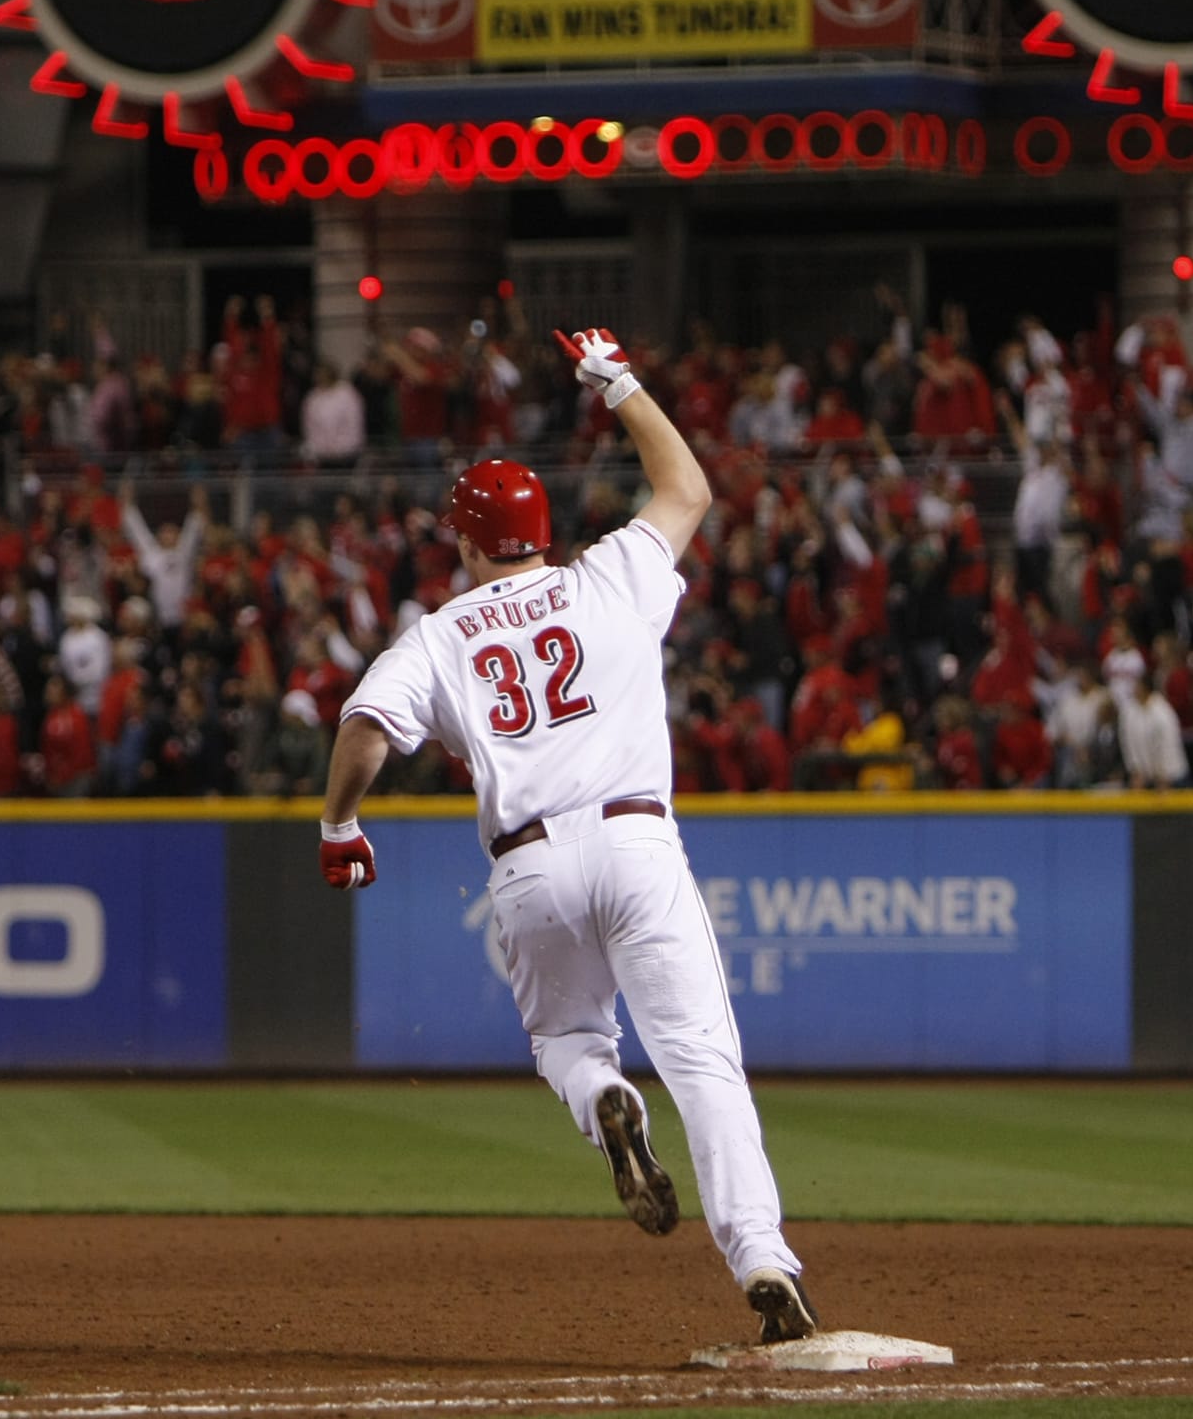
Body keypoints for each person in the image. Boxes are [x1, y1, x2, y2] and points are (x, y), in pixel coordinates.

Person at [317, 326, 819, 1346]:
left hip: (529, 865)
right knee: (704, 1063)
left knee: (566, 1042)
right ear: (541, 529)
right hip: (637, 842)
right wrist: (617, 381)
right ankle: (762, 1257)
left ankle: (604, 1100)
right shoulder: (608, 576)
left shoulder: (438, 636)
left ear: (467, 544)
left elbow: (364, 730)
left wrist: (340, 824)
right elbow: (687, 490)